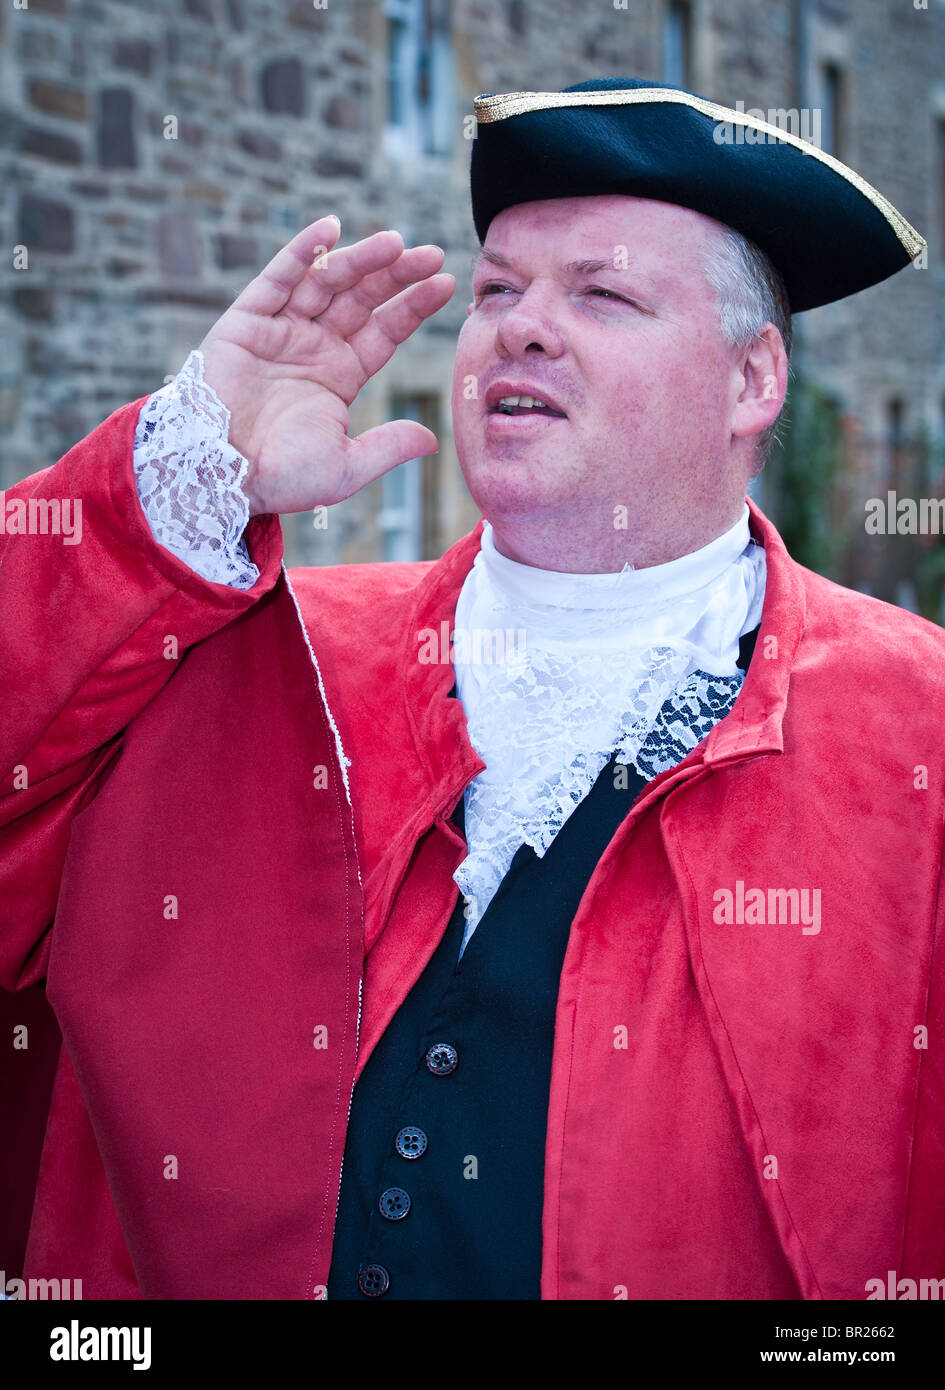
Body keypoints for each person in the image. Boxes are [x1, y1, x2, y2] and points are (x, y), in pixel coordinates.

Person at [2, 78, 942, 1301]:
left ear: (754, 380)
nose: (522, 327)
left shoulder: (915, 733)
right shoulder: (244, 656)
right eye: (498, 289)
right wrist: (175, 490)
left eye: (602, 292)